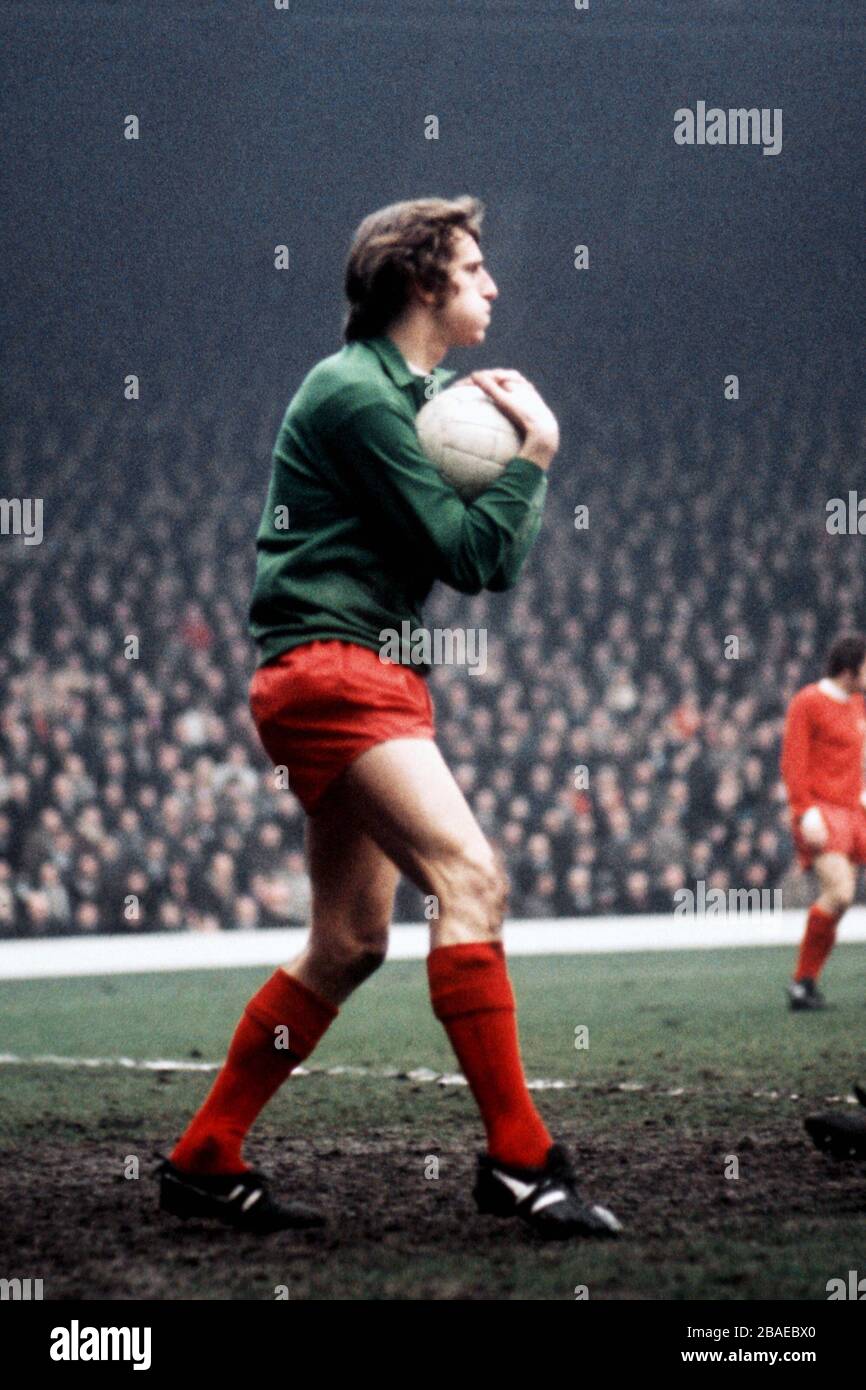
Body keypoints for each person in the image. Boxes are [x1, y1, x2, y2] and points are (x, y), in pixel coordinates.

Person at [158, 195, 620, 1239]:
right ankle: (519, 1159)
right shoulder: (356, 393)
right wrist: (536, 457)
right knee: (471, 878)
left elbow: (487, 564)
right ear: (424, 283)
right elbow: (463, 555)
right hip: (332, 668)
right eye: (474, 267)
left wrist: (522, 467)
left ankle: (204, 1156)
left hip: (367, 670)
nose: (493, 284)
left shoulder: (423, 395)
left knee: (350, 941)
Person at [780, 634, 866, 1010]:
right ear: (849, 670)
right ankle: (802, 983)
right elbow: (793, 761)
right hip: (822, 813)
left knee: (841, 901)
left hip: (855, 811)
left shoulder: (858, 705)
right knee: (841, 893)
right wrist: (804, 811)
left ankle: (805, 985)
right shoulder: (808, 702)